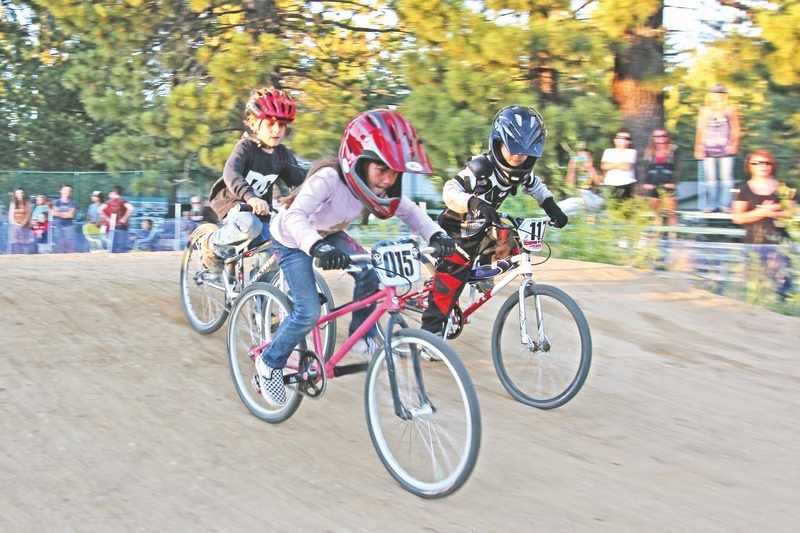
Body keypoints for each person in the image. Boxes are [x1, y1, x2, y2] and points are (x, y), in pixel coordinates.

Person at [252, 109, 456, 406]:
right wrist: (314, 246)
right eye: (381, 170)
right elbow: (295, 215)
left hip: (328, 234)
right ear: (358, 163)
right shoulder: (329, 179)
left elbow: (411, 212)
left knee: (372, 270)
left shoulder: (374, 186)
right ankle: (270, 363)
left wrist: (437, 235)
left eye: (394, 172)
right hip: (294, 237)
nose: (387, 180)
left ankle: (363, 338)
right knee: (308, 311)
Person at [419, 105, 568, 337]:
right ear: (497, 143)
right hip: (456, 231)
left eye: (526, 150)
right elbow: (449, 191)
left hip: (484, 228)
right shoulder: (481, 168)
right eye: (512, 148)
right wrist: (474, 203)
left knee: (513, 240)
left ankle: (480, 272)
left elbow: (537, 187)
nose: (519, 156)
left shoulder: (522, 173)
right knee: (450, 279)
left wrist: (551, 207)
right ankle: (430, 333)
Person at [201, 87, 306, 276]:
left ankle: (258, 301)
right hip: (233, 203)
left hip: (261, 213)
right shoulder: (246, 147)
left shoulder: (282, 154)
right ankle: (212, 244)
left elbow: (301, 185)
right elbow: (231, 172)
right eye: (270, 124)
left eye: (282, 125)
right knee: (250, 225)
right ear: (253, 123)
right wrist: (250, 197)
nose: (276, 130)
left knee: (273, 254)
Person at [731, 150, 795, 300]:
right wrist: (761, 212)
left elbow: (790, 212)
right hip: (754, 244)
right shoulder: (744, 189)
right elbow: (738, 217)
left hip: (781, 243)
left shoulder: (782, 187)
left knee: (782, 287)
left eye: (767, 162)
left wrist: (770, 213)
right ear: (749, 166)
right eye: (757, 163)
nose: (763, 166)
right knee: (754, 284)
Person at [694, 84, 741, 213]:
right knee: (710, 178)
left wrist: (734, 143)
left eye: (720, 93)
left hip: (725, 148)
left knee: (726, 177)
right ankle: (712, 204)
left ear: (724, 95)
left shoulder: (731, 109)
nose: (718, 95)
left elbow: (736, 128)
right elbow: (701, 129)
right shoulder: (704, 110)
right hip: (708, 148)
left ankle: (726, 205)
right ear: (710, 95)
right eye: (715, 93)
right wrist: (698, 146)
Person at [642, 129, 681, 227]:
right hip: (654, 184)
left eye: (663, 135)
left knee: (671, 213)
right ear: (653, 138)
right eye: (657, 136)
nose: (661, 138)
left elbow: (678, 167)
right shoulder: (649, 152)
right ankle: (656, 237)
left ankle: (673, 238)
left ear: (667, 137)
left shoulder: (674, 150)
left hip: (668, 185)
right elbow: (644, 169)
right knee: (656, 214)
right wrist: (646, 183)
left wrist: (674, 182)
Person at [98, 185, 135, 253]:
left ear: (114, 192)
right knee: (122, 244)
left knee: (113, 245)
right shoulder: (123, 201)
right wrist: (125, 217)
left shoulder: (110, 202)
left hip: (113, 226)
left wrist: (108, 218)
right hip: (122, 226)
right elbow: (131, 208)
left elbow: (99, 209)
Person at [601, 131, 637, 199]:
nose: (623, 140)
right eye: (620, 137)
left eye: (627, 138)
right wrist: (620, 164)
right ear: (615, 140)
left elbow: (626, 167)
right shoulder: (608, 151)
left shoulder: (632, 152)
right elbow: (604, 166)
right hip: (609, 183)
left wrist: (611, 165)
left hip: (626, 183)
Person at [51, 184, 76, 253]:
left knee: (69, 244)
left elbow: (71, 215)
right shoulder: (56, 202)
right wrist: (66, 214)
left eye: (69, 191)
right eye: (65, 190)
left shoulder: (72, 202)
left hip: (69, 226)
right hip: (58, 226)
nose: (67, 192)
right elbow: (55, 213)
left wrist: (60, 214)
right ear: (61, 191)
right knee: (61, 244)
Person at [8, 188, 32, 254]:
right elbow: (11, 215)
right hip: (15, 226)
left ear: (23, 194)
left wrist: (22, 224)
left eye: (21, 193)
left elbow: (28, 214)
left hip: (25, 226)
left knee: (25, 243)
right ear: (15, 194)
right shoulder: (13, 203)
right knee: (16, 242)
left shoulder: (27, 203)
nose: (20, 194)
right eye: (18, 193)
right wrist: (16, 224)